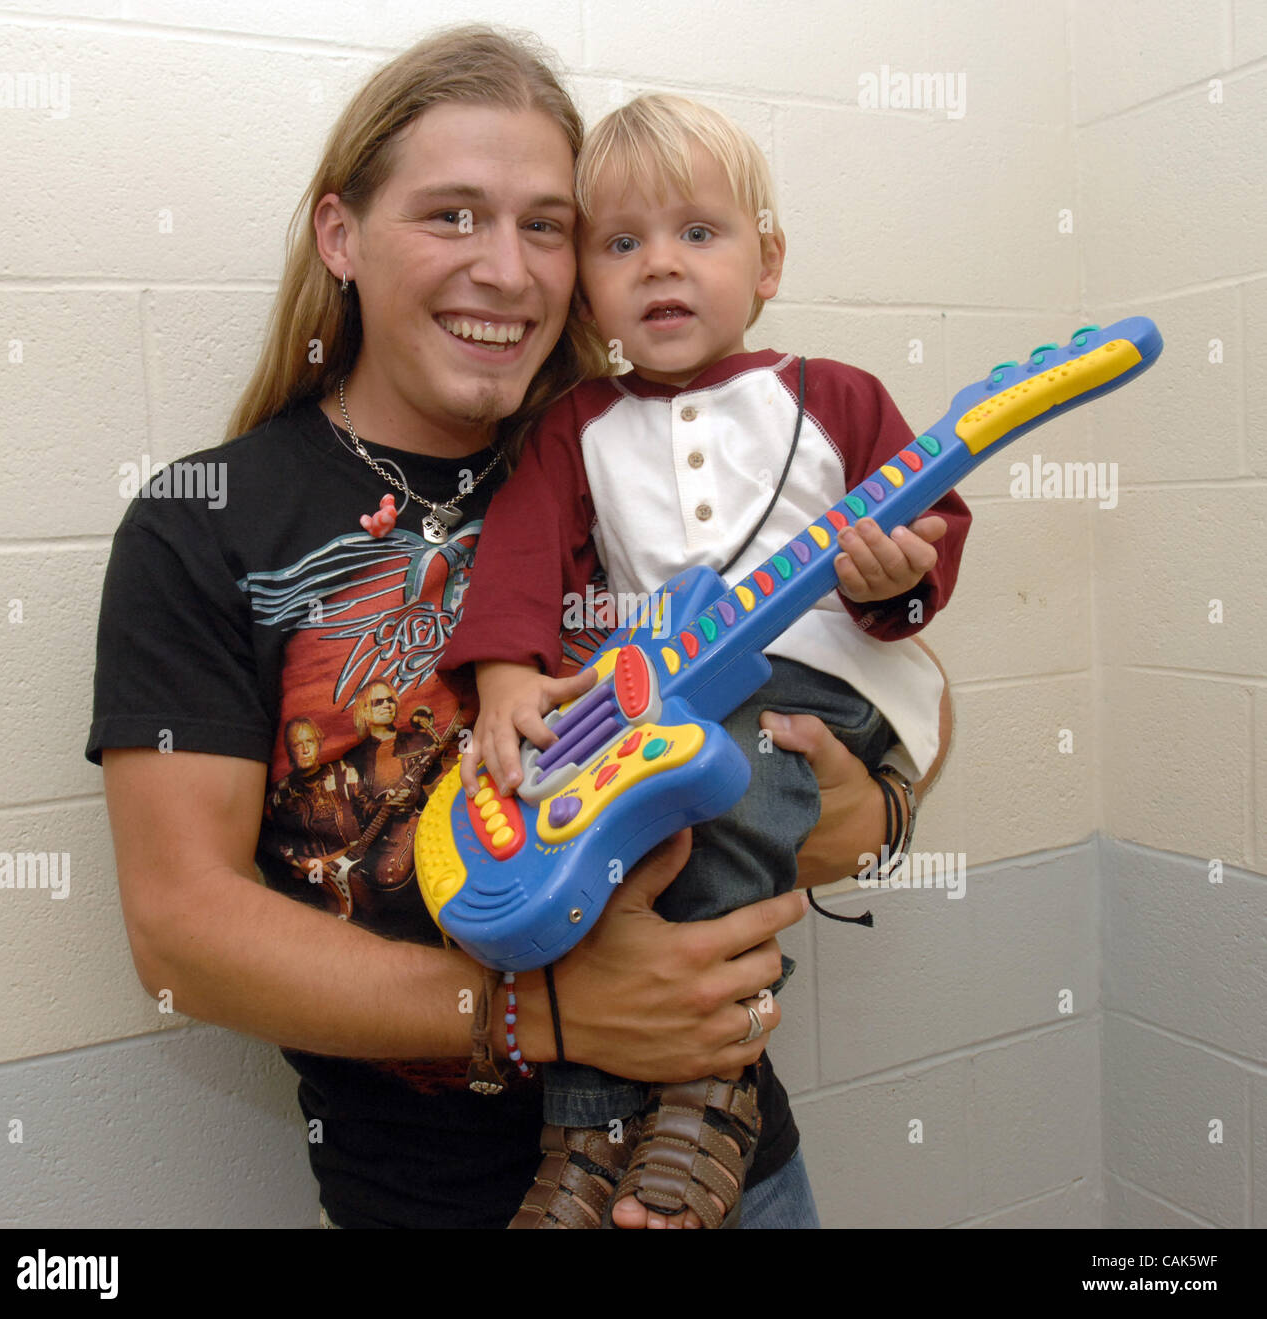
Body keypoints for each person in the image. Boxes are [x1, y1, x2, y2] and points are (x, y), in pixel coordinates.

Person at [86, 26, 953, 1230]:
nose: (506, 270)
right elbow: (184, 930)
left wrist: (878, 808)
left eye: (545, 225)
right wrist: (532, 1016)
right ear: (340, 235)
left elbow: (877, 681)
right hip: (448, 1204)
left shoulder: (626, 452)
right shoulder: (205, 522)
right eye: (452, 215)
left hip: (732, 1174)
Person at [441, 93, 972, 1229]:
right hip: (677, 693)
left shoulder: (834, 396)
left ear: (765, 259)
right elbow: (525, 554)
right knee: (615, 826)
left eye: (697, 233)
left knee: (729, 771)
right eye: (621, 243)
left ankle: (710, 1086)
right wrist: (501, 673)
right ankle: (588, 1129)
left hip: (832, 691)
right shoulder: (578, 423)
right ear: (586, 284)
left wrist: (894, 576)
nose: (659, 266)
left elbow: (933, 523)